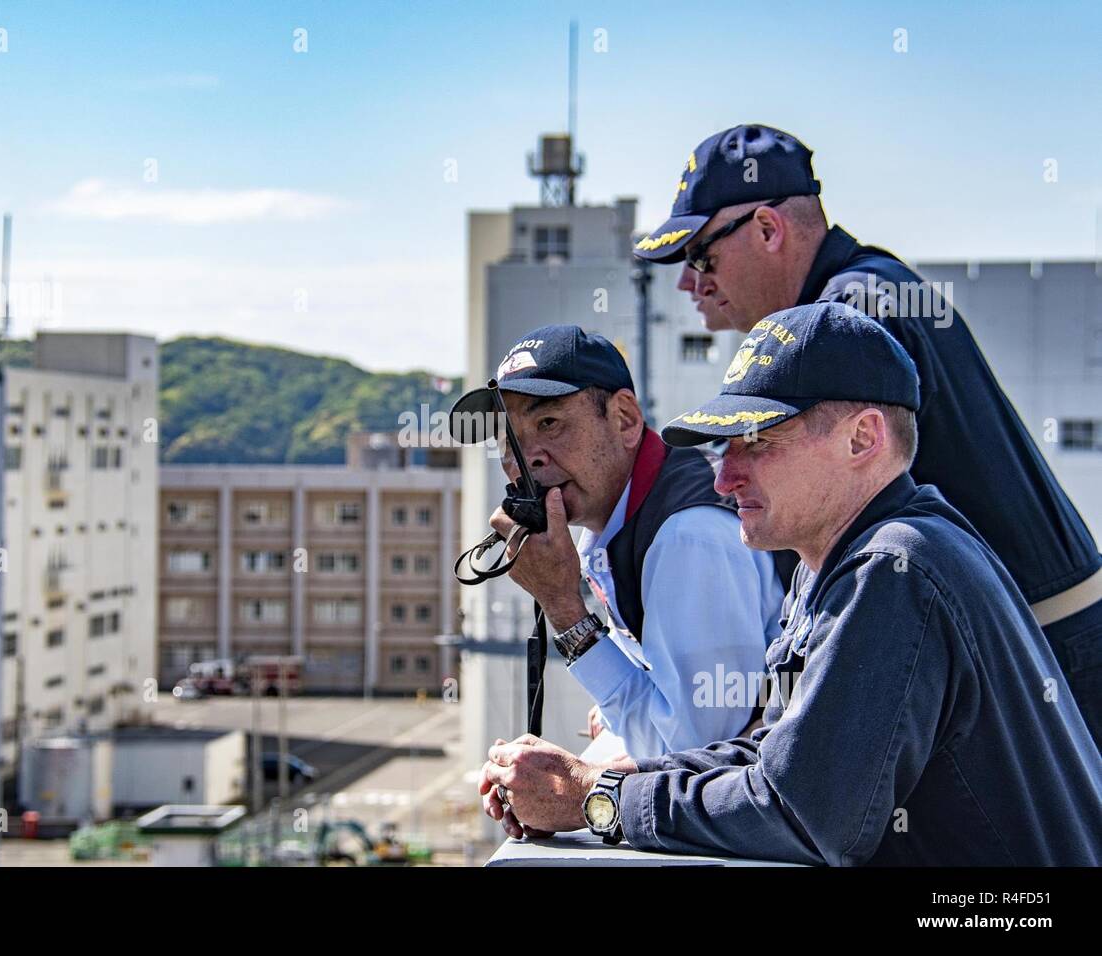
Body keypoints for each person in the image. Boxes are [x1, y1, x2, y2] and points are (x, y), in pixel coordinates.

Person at [480, 303, 1102, 865]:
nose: (726, 479)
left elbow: (803, 813)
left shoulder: (891, 567)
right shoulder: (839, 559)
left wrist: (596, 799)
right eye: (725, 449)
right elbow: (766, 758)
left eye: (758, 441)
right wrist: (602, 785)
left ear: (862, 438)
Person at [632, 123, 1102, 749]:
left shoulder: (845, 319)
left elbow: (799, 513)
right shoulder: (869, 285)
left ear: (768, 230)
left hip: (1040, 653)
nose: (689, 283)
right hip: (1045, 638)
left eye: (701, 257)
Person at [451, 325, 783, 759]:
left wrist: (563, 609)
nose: (526, 458)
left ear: (624, 418)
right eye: (509, 440)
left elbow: (694, 753)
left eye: (548, 422)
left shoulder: (686, 535)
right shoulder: (619, 513)